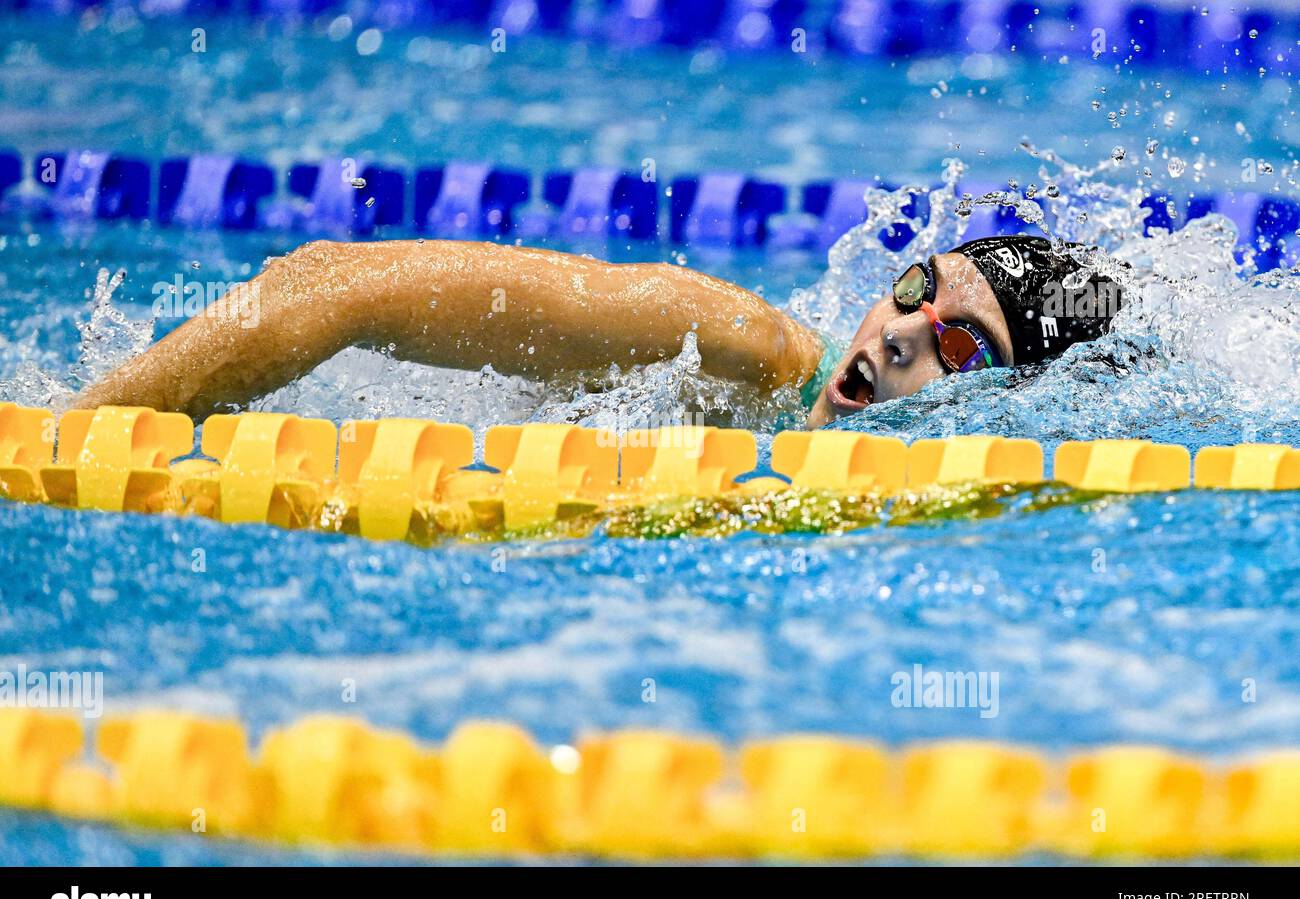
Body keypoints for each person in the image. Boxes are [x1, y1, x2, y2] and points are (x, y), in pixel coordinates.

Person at [74, 234, 1123, 428]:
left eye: (960, 346)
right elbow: (340, 281)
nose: (901, 334)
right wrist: (72, 430)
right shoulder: (734, 344)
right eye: (913, 291)